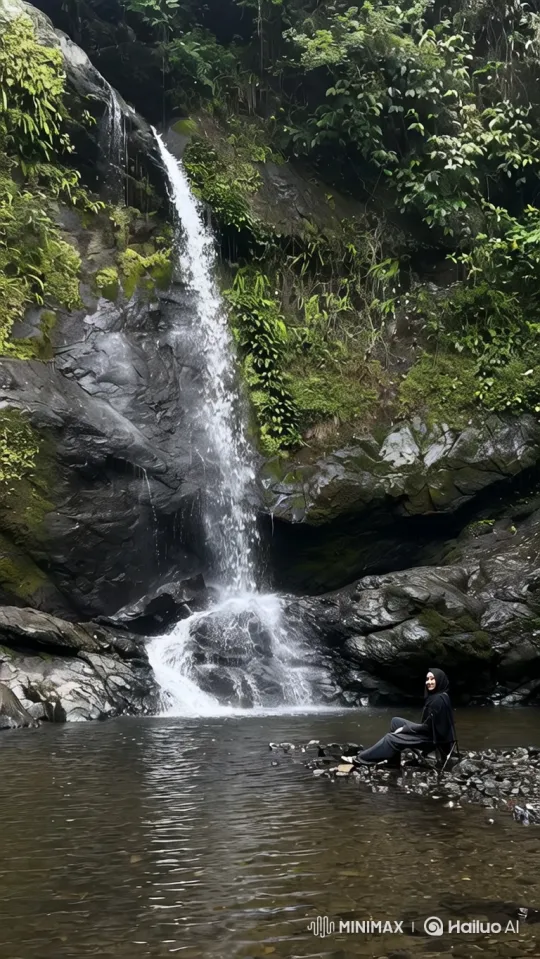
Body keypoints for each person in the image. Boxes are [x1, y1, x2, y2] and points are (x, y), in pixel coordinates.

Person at [343, 668, 456, 768]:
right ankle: (393, 762)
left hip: (434, 740)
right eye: (427, 679)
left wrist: (405, 729)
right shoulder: (439, 696)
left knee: (391, 738)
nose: (429, 682)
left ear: (439, 680)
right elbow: (430, 724)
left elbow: (428, 728)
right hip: (431, 734)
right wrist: (406, 728)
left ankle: (360, 759)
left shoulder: (438, 700)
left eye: (432, 679)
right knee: (396, 722)